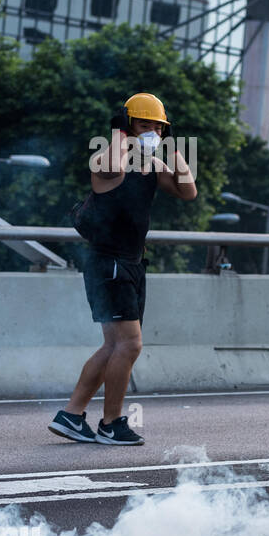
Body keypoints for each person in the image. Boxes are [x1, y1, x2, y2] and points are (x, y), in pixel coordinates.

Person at [48, 93, 197, 445]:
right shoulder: (106, 159)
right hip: (107, 263)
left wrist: (173, 149)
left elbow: (188, 191)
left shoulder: (150, 167)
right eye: (145, 126)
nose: (152, 133)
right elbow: (114, 166)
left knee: (115, 346)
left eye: (158, 128)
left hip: (131, 263)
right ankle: (111, 422)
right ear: (127, 126)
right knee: (129, 345)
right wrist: (120, 135)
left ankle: (71, 415)